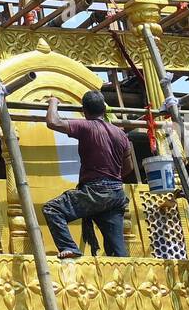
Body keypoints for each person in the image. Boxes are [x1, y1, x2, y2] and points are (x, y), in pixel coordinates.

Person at [41, 91, 134, 258]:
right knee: (117, 252)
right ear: (104, 110)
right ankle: (124, 279)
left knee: (52, 209)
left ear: (84, 111)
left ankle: (70, 247)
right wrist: (112, 179)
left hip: (95, 191)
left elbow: (53, 122)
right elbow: (129, 167)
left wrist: (53, 102)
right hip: (116, 193)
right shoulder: (120, 134)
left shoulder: (86, 126)